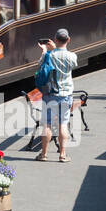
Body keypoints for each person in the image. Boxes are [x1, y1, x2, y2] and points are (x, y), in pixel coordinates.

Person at [37, 28, 78, 164]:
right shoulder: (72, 56)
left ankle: (43, 154)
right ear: (68, 40)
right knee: (63, 124)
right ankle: (62, 155)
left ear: (55, 39)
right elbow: (72, 66)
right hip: (66, 93)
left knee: (47, 123)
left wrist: (47, 51)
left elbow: (39, 66)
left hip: (50, 93)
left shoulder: (49, 54)